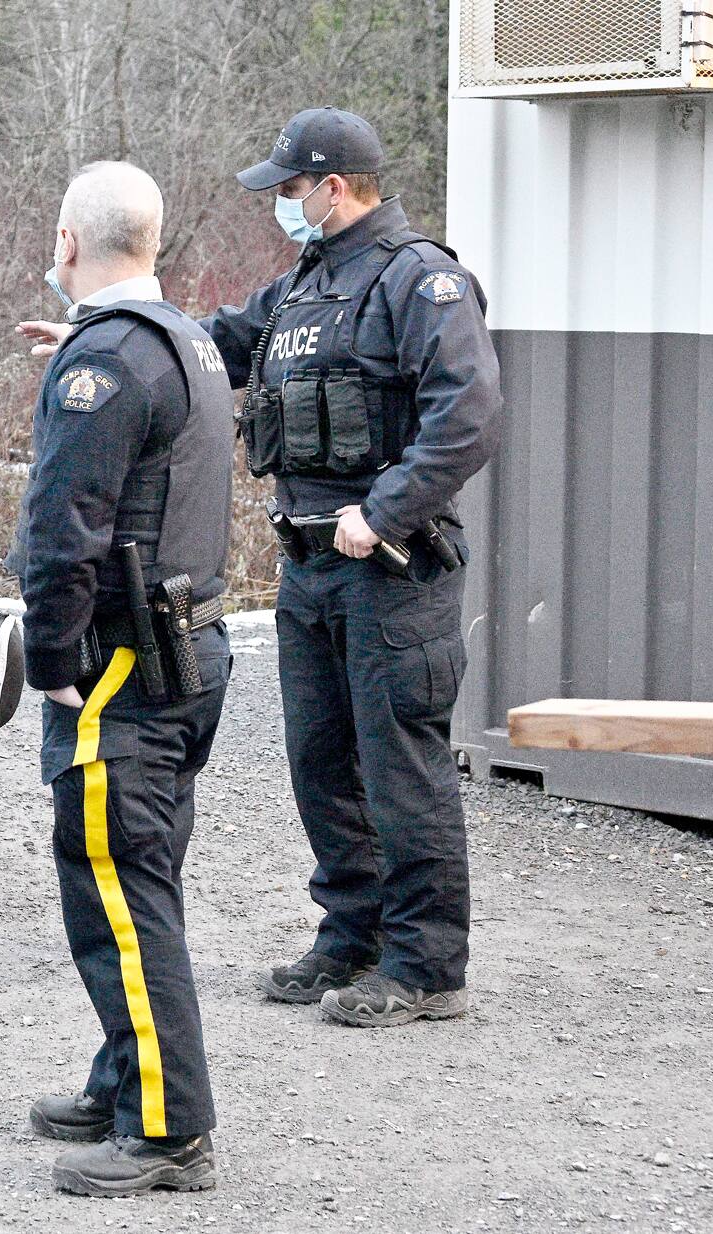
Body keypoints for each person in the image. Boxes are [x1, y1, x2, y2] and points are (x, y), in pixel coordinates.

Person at [200, 108, 502, 1026]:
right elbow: (216, 342)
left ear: (334, 188)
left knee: (400, 765)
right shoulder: (305, 283)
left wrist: (384, 508)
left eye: (290, 190)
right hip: (312, 562)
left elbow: (470, 416)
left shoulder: (422, 282)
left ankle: (426, 965)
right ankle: (352, 937)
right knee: (321, 761)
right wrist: (117, 337)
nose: (281, 206)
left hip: (392, 565)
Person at [11, 163, 233, 1195]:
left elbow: (63, 531)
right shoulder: (181, 341)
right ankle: (124, 1074)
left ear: (67, 243)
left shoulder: (102, 363)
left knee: (120, 888)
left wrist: (50, 661)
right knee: (130, 876)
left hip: (120, 667)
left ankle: (166, 1127)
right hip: (188, 649)